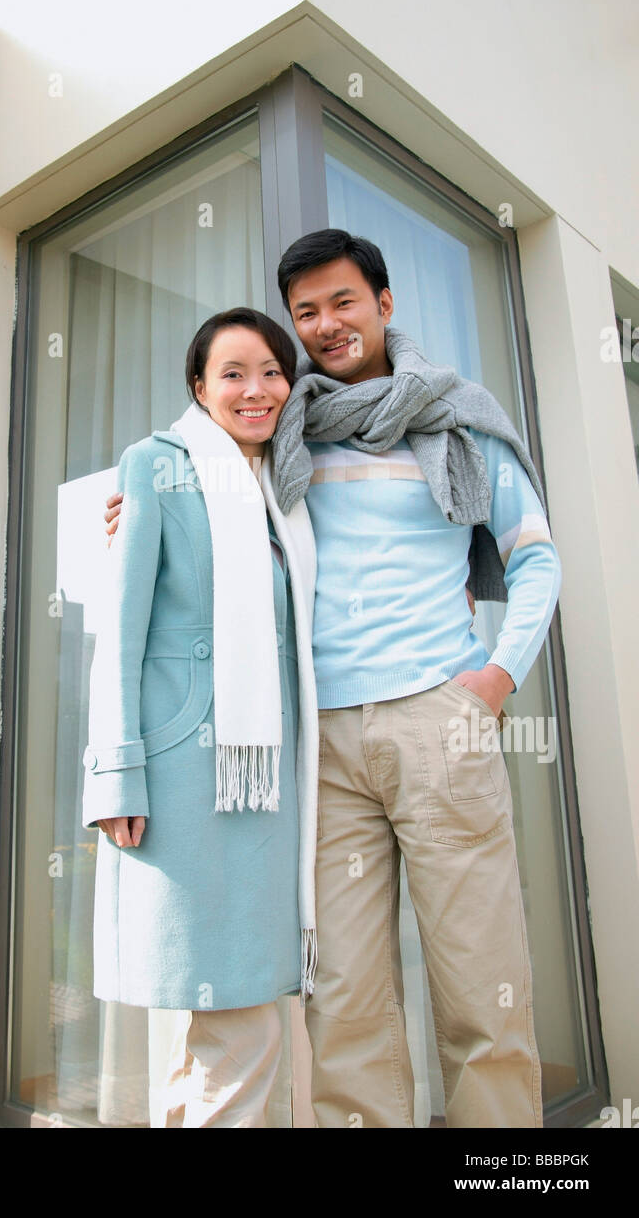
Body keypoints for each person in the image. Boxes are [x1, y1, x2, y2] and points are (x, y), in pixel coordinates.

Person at [106, 231, 562, 1129]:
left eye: (343, 302)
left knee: (482, 977)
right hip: (318, 740)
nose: (325, 325)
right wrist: (129, 506)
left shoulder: (459, 423)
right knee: (344, 994)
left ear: (384, 304)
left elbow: (535, 559)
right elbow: (198, 496)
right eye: (305, 311)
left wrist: (495, 679)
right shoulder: (283, 433)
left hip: (440, 716)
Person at [81, 306, 320, 1129]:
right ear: (199, 386)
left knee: (217, 1013)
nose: (256, 390)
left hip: (272, 774)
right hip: (188, 772)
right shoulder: (155, 466)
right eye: (233, 373)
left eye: (272, 372)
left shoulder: (288, 486)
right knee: (240, 1010)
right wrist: (115, 770)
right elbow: (121, 627)